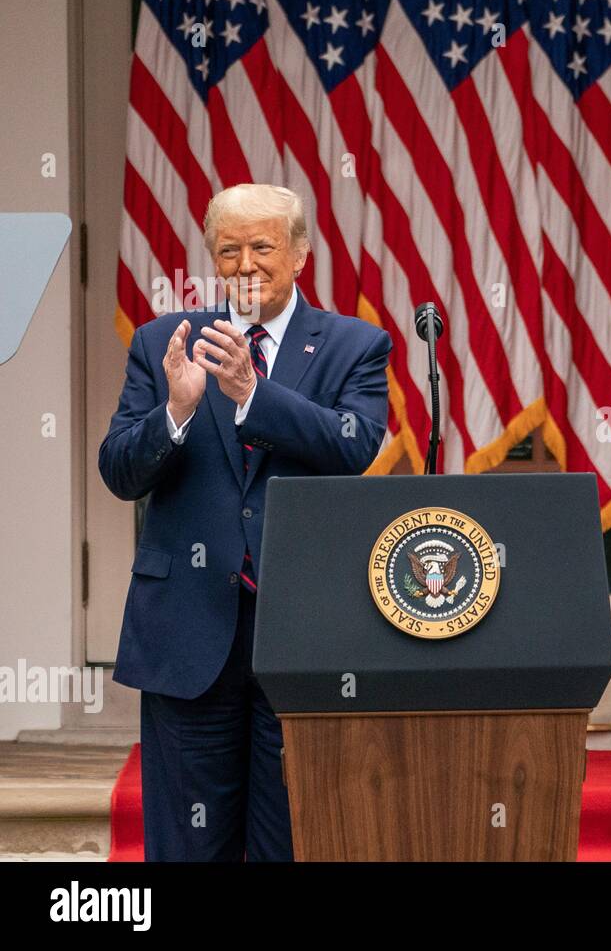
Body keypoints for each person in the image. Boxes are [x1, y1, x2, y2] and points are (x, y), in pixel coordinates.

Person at [99, 183, 392, 860]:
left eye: (262, 247)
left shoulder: (354, 345)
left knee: (291, 836)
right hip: (187, 629)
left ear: (300, 256)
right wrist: (172, 412)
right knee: (189, 843)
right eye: (228, 251)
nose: (246, 265)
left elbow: (354, 445)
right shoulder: (162, 343)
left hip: (305, 631)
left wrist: (253, 396)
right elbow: (119, 471)